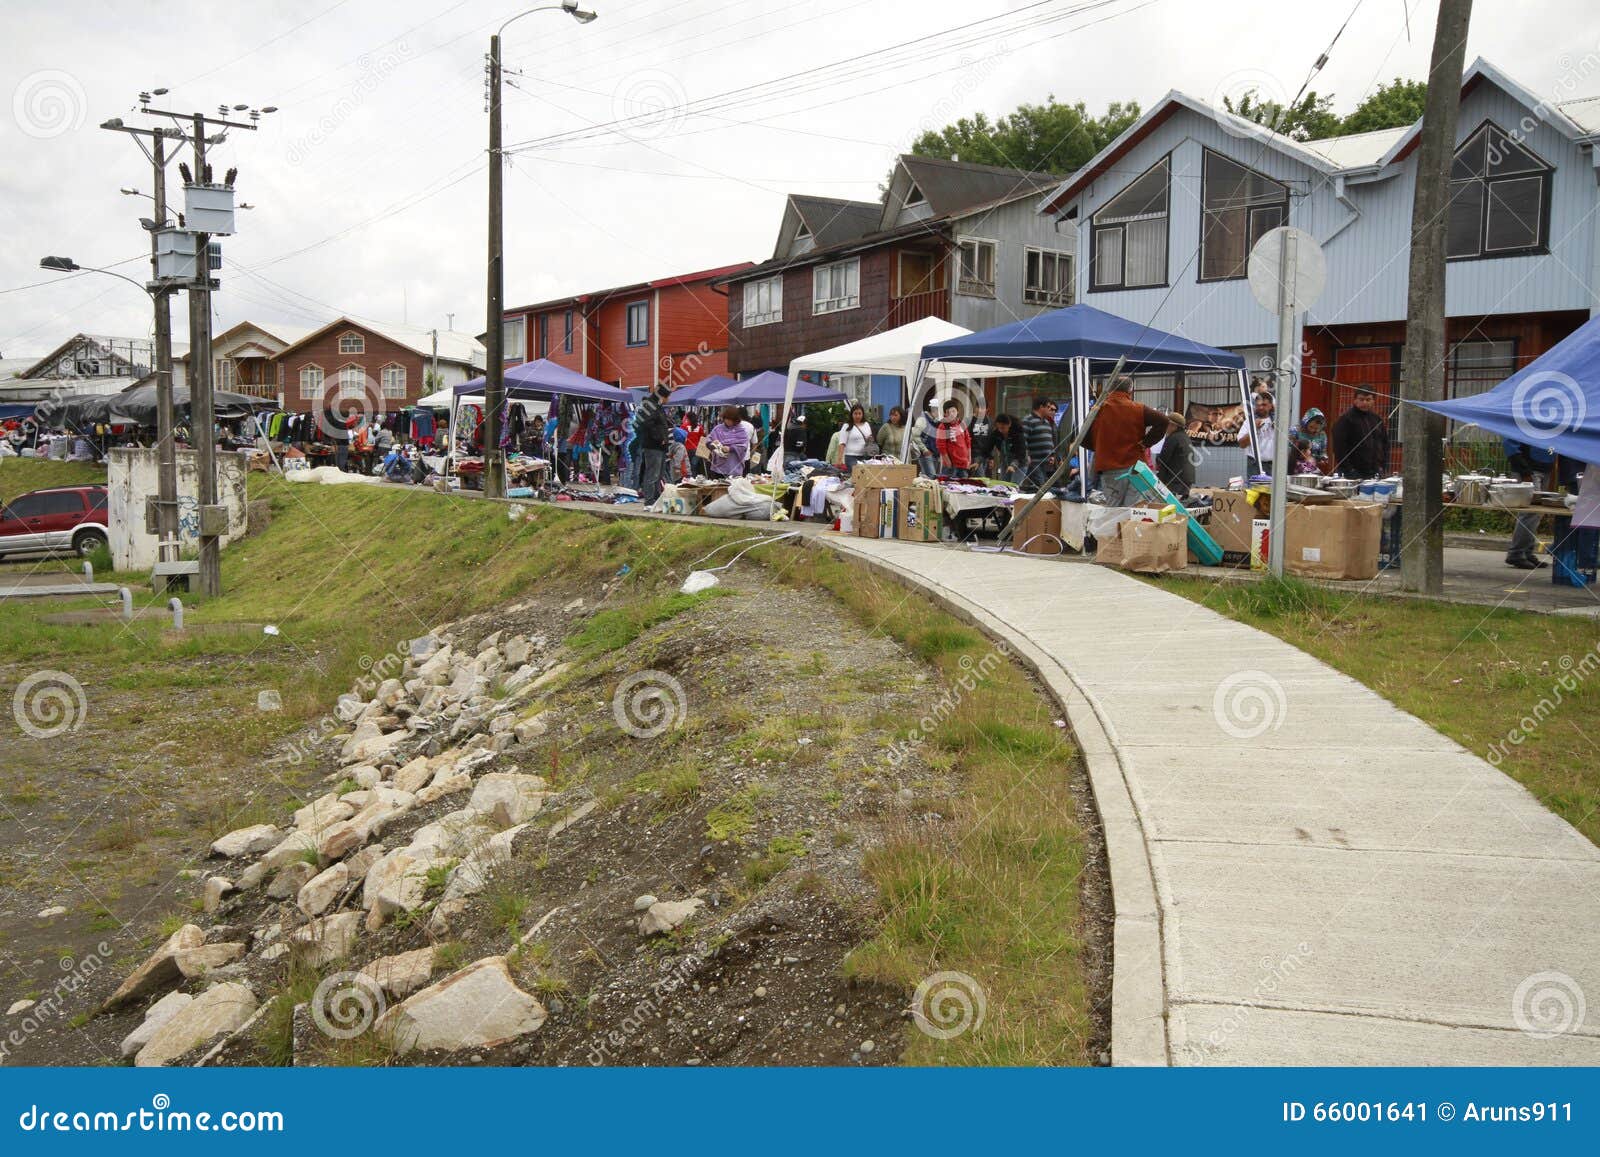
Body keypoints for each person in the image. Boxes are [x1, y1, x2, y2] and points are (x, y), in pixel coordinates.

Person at [1086, 376, 1170, 505]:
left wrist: (1100, 447)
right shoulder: (1138, 408)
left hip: (1109, 468)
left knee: (1113, 509)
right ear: (1130, 390)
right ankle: (1128, 526)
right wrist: (1145, 443)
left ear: (1110, 389)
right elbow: (1163, 421)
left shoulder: (1098, 409)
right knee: (1132, 509)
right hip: (1135, 466)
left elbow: (1081, 436)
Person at [1503, 436, 1553, 570]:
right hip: (1530, 468)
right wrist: (1524, 471)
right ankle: (1517, 553)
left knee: (1536, 513)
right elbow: (1510, 444)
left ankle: (1526, 552)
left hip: (1543, 467)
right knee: (1530, 513)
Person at [1330, 386, 1390, 479]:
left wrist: (1383, 465)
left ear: (1373, 401)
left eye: (1368, 399)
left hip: (1374, 471)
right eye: (1361, 399)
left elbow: (1385, 444)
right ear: (1355, 400)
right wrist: (1349, 469)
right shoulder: (1346, 419)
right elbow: (1339, 447)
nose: (1364, 402)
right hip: (1351, 472)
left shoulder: (1376, 419)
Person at [635, 383, 671, 503]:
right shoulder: (649, 406)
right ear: (662, 396)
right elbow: (647, 424)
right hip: (653, 445)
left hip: (660, 446)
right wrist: (659, 437)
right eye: (667, 396)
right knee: (653, 474)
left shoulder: (657, 406)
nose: (668, 399)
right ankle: (649, 499)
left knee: (659, 475)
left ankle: (656, 498)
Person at [1020, 397, 1059, 490]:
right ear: (1041, 407)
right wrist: (1027, 455)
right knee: (1042, 487)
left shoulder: (1046, 422)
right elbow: (1023, 440)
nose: (1049, 410)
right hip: (1034, 462)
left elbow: (1049, 441)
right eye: (1048, 407)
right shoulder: (1028, 420)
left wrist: (1052, 455)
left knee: (1041, 487)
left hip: (1046, 464)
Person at [1155, 410, 1195, 498]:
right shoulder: (1185, 437)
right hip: (1186, 479)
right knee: (1180, 504)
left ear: (1173, 426)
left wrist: (1157, 459)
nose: (1165, 428)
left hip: (1175, 480)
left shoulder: (1173, 438)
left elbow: (1163, 459)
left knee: (1171, 505)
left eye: (1167, 425)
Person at [1237, 390, 1276, 477]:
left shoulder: (1277, 421)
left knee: (1272, 491)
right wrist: (1254, 429)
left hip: (1274, 465)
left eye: (1264, 405)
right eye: (1258, 405)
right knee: (1253, 490)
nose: (1261, 407)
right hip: (1254, 465)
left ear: (1270, 406)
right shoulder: (1249, 422)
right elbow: (1241, 444)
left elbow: (1287, 443)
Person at [707, 406, 750, 478]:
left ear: (736, 420)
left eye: (731, 419)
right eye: (726, 419)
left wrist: (731, 448)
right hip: (718, 467)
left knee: (733, 488)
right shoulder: (718, 429)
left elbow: (743, 447)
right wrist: (713, 443)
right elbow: (708, 440)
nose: (728, 421)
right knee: (718, 488)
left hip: (734, 467)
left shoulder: (741, 431)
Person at [936, 400, 972, 478]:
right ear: (945, 414)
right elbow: (940, 446)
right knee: (948, 488)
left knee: (964, 488)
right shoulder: (943, 426)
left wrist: (969, 459)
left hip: (963, 465)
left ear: (957, 412)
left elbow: (968, 441)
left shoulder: (962, 424)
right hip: (951, 466)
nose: (951, 414)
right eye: (948, 412)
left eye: (953, 411)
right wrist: (947, 461)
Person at [1288, 408, 1330, 474]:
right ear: (1306, 422)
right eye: (1311, 427)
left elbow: (1323, 452)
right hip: (1296, 467)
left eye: (1316, 428)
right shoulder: (1295, 430)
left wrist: (1323, 458)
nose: (1313, 430)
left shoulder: (1322, 434)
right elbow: (1288, 449)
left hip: (1312, 468)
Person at [839, 403, 877, 471]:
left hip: (865, 456)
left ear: (862, 414)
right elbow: (842, 443)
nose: (858, 416)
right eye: (855, 413)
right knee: (858, 474)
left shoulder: (866, 424)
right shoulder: (847, 426)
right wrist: (839, 460)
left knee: (866, 477)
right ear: (852, 414)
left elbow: (870, 439)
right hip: (851, 457)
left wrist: (870, 439)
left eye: (859, 413)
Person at [909, 398, 941, 477]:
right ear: (933, 409)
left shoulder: (935, 421)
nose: (939, 413)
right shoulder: (923, 419)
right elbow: (915, 436)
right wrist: (924, 450)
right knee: (931, 476)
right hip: (927, 454)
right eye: (938, 410)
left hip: (935, 454)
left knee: (929, 477)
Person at [992, 413, 1026, 483]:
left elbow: (1021, 452)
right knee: (1004, 486)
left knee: (1013, 486)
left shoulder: (1018, 434)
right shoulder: (996, 434)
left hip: (1019, 463)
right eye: (999, 428)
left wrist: (1013, 465)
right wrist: (979, 460)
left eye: (1003, 428)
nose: (1000, 430)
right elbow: (988, 446)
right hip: (1005, 463)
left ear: (1009, 425)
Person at [967, 400, 995, 477]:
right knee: (980, 478)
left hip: (986, 455)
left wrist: (991, 458)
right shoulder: (969, 421)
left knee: (985, 480)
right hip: (974, 455)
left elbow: (992, 440)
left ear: (987, 409)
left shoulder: (990, 422)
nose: (980, 410)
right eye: (978, 407)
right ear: (975, 408)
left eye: (983, 408)